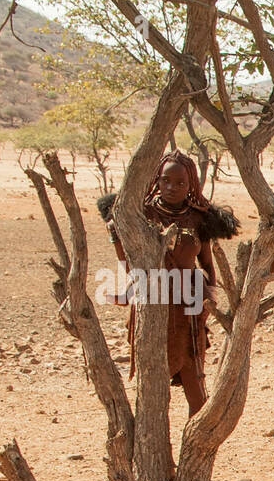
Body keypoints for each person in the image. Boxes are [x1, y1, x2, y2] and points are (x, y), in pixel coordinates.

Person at [98, 152, 239, 420]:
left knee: (195, 385)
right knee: (152, 385)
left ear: (192, 186)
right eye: (166, 181)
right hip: (151, 307)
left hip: (188, 311)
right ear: (156, 181)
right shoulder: (140, 213)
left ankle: (193, 451)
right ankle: (156, 454)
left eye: (180, 183)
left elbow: (207, 265)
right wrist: (115, 237)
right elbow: (129, 264)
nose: (172, 188)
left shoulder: (199, 219)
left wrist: (207, 302)